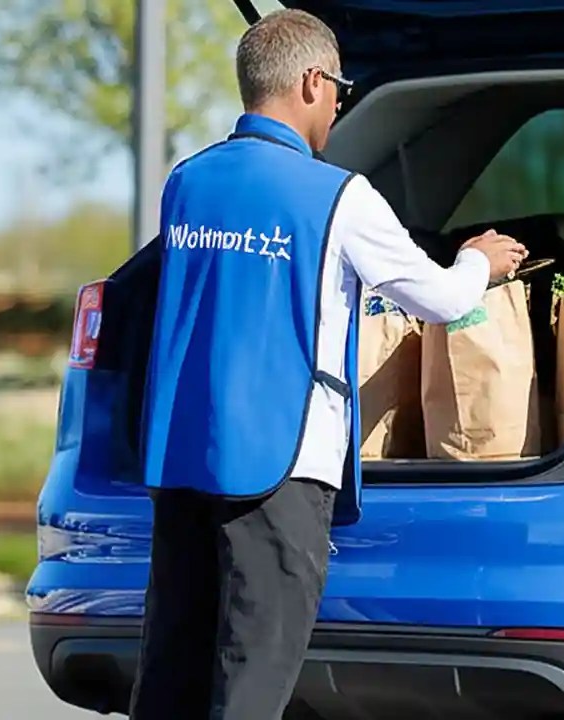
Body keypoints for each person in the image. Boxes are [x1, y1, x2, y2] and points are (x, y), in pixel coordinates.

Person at [129, 8, 528, 720]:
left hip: (183, 460)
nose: (341, 104)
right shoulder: (338, 196)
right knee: (254, 669)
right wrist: (478, 260)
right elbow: (435, 298)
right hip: (281, 469)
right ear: (312, 81)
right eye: (341, 88)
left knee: (173, 666)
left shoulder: (189, 183)